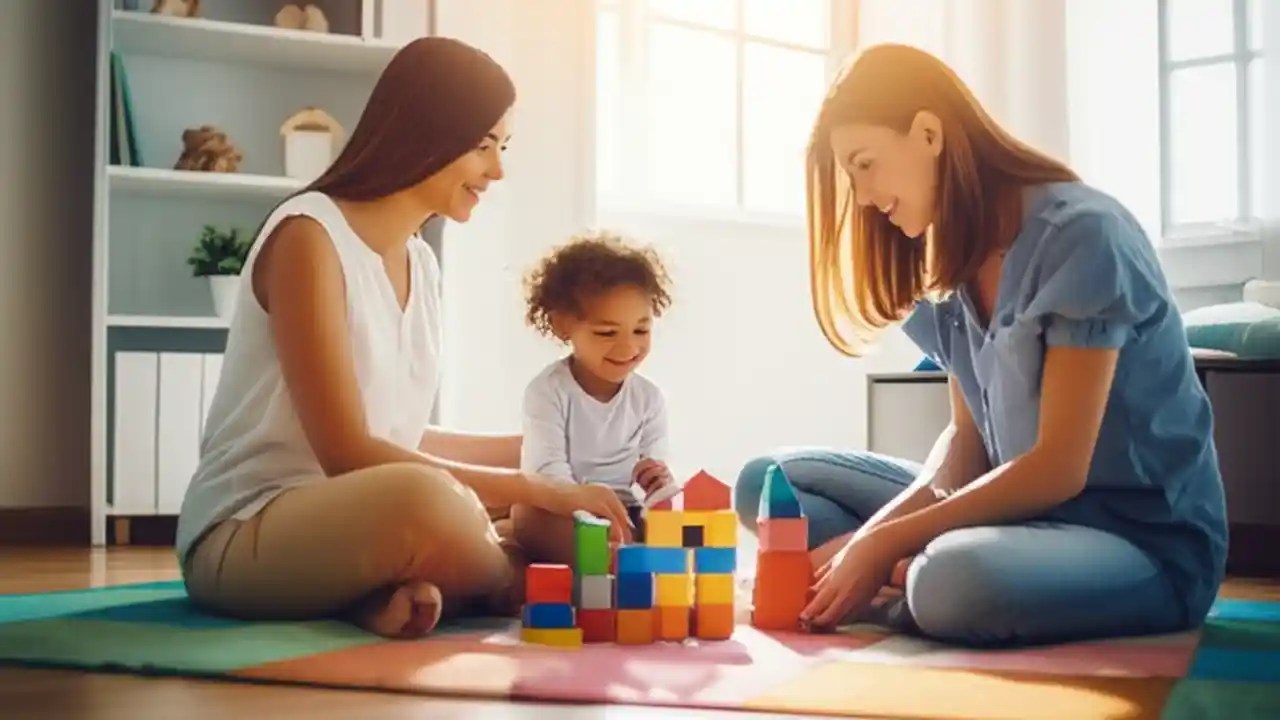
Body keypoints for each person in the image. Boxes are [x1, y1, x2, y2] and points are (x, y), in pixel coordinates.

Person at [735, 44, 1228, 647]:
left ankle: (906, 579)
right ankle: (897, 574)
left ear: (928, 133)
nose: (861, 197)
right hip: (1015, 516)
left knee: (951, 582)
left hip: (1138, 540)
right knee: (767, 484)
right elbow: (965, 444)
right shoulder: (952, 257)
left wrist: (885, 543)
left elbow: (1058, 469)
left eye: (865, 164)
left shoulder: (1081, 235)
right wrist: (871, 540)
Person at [175, 37, 633, 640]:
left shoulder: (421, 262)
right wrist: (532, 486)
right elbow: (348, 450)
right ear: (428, 132)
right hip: (246, 531)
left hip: (354, 521)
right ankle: (516, 576)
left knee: (519, 498)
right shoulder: (309, 238)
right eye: (483, 146)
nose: (497, 170)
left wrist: (552, 449)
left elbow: (397, 435)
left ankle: (389, 594)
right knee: (432, 502)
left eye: (502, 147)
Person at [513, 232, 676, 562]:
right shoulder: (548, 391)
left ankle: (627, 561)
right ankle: (617, 561)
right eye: (607, 333)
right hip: (567, 508)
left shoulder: (649, 398)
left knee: (679, 523)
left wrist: (657, 481)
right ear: (562, 325)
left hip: (627, 512)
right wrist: (583, 507)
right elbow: (546, 469)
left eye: (641, 330)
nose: (628, 347)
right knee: (527, 516)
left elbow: (654, 468)